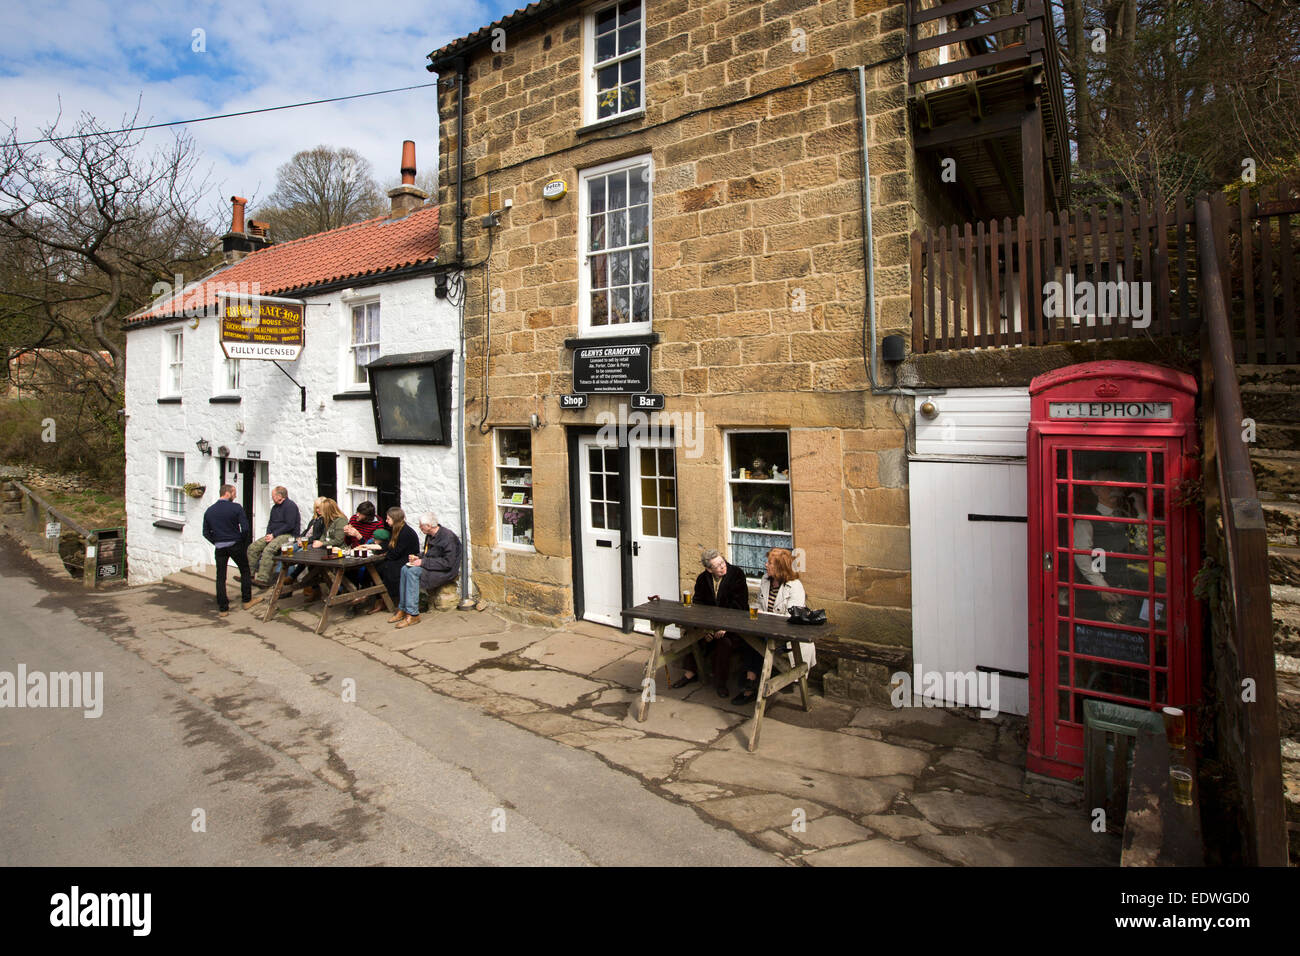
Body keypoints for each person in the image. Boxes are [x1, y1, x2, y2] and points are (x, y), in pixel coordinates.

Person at [733, 547, 810, 706]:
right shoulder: (765, 580)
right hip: (764, 629)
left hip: (786, 636)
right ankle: (750, 681)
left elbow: (791, 616)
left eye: (769, 563)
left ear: (780, 567)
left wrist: (765, 617)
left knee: (759, 643)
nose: (765, 565)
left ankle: (750, 685)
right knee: (749, 639)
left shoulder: (795, 586)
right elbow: (760, 605)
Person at [671, 549, 748, 698]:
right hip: (708, 625)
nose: (722, 566)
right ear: (708, 569)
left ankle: (721, 683)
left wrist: (724, 626)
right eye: (717, 566)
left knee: (724, 643)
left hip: (731, 626)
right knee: (692, 636)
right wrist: (705, 628)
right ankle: (690, 673)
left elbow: (739, 605)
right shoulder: (702, 579)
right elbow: (698, 604)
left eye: (722, 562)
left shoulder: (736, 574)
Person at [392, 512, 463, 629]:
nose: (420, 527)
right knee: (405, 569)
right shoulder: (430, 535)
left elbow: (448, 563)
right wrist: (418, 557)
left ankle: (413, 614)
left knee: (412, 572)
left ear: (429, 526)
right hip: (433, 566)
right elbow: (428, 554)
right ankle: (403, 608)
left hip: (445, 571)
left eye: (421, 525)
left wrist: (423, 562)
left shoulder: (447, 537)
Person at [201, 484, 261, 618]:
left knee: (220, 577)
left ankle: (223, 608)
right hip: (235, 544)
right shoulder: (235, 507)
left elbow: (205, 532)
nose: (235, 495)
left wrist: (216, 541)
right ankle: (247, 600)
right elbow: (245, 528)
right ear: (228, 493)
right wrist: (241, 541)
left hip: (220, 547)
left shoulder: (210, 511)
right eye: (234, 493)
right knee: (245, 570)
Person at [297, 498, 350, 600]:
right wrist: (319, 542)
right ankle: (315, 590)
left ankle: (337, 591)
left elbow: (338, 540)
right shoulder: (328, 521)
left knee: (321, 566)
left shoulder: (341, 521)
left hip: (338, 550)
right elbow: (323, 535)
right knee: (310, 562)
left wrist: (322, 543)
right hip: (325, 548)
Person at [248, 486, 301, 588]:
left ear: (279, 496)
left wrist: (274, 534)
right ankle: (249, 575)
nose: (272, 497)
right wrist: (268, 534)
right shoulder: (275, 507)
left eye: (273, 495)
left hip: (288, 535)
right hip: (274, 535)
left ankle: (262, 579)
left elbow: (289, 525)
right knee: (253, 548)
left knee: (269, 549)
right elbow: (271, 523)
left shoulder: (290, 506)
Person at [373, 507, 420, 614]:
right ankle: (381, 599)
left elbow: (396, 552)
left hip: (406, 560)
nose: (386, 521)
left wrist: (386, 555)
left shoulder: (405, 532)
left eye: (388, 518)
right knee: (376, 566)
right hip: (399, 557)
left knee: (385, 568)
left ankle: (388, 599)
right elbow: (390, 545)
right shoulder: (396, 529)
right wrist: (372, 547)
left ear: (395, 519)